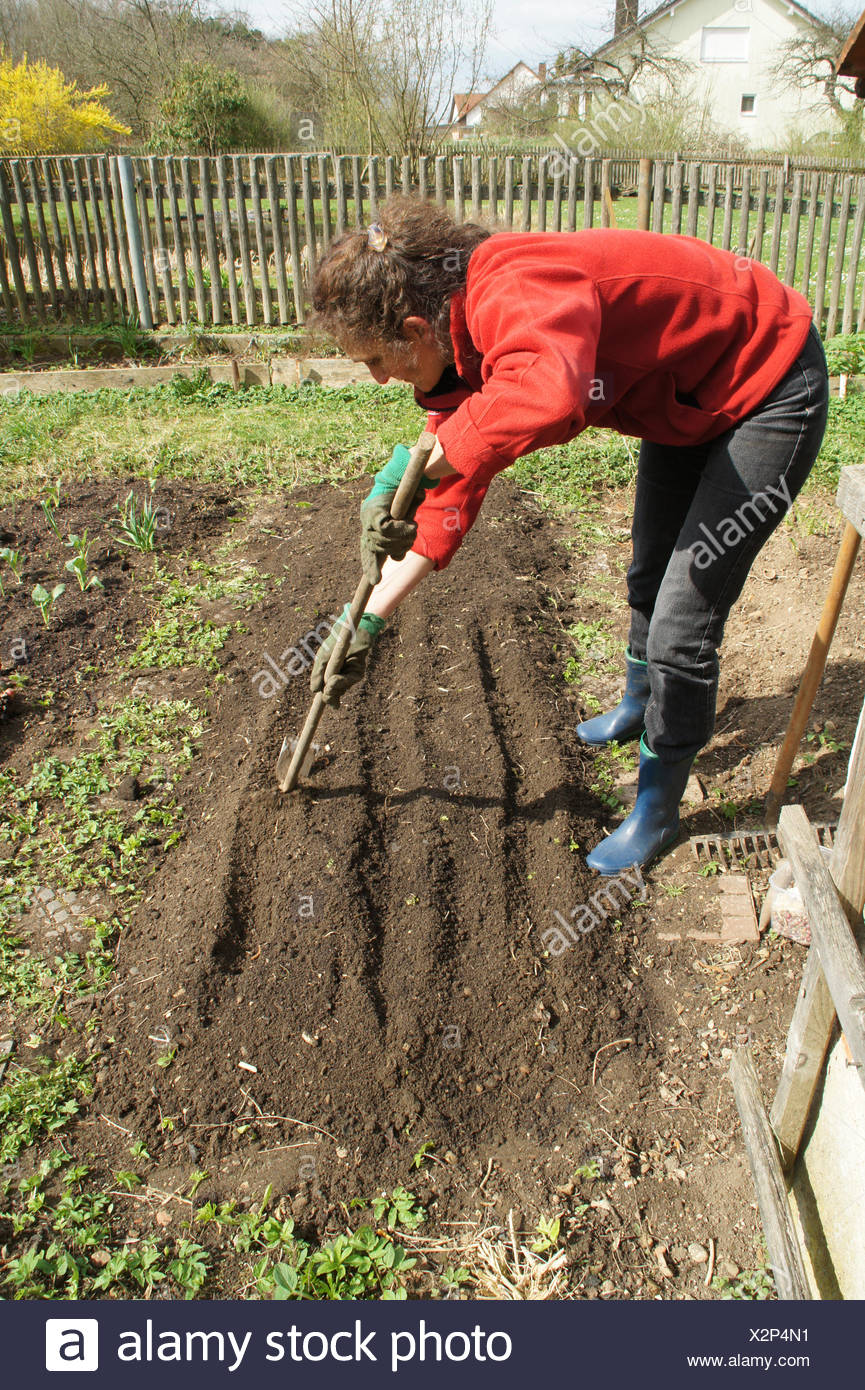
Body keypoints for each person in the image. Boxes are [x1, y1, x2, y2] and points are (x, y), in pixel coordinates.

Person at [309, 196, 829, 876]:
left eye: (377, 359)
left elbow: (548, 392)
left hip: (765, 381)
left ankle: (657, 805)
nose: (379, 378)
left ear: (415, 327)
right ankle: (639, 705)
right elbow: (458, 476)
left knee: (682, 617)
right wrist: (367, 620)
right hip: (681, 396)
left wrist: (426, 462)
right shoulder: (456, 343)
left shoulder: (512, 287)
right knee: (647, 571)